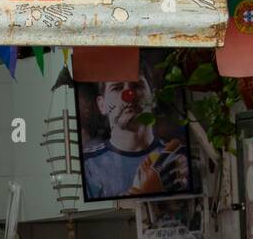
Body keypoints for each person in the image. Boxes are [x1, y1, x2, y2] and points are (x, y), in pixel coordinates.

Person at [81, 70, 192, 200]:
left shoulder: (180, 159)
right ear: (101, 104)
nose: (128, 95)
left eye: (137, 85)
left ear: (154, 98)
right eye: (117, 87)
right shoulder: (87, 165)